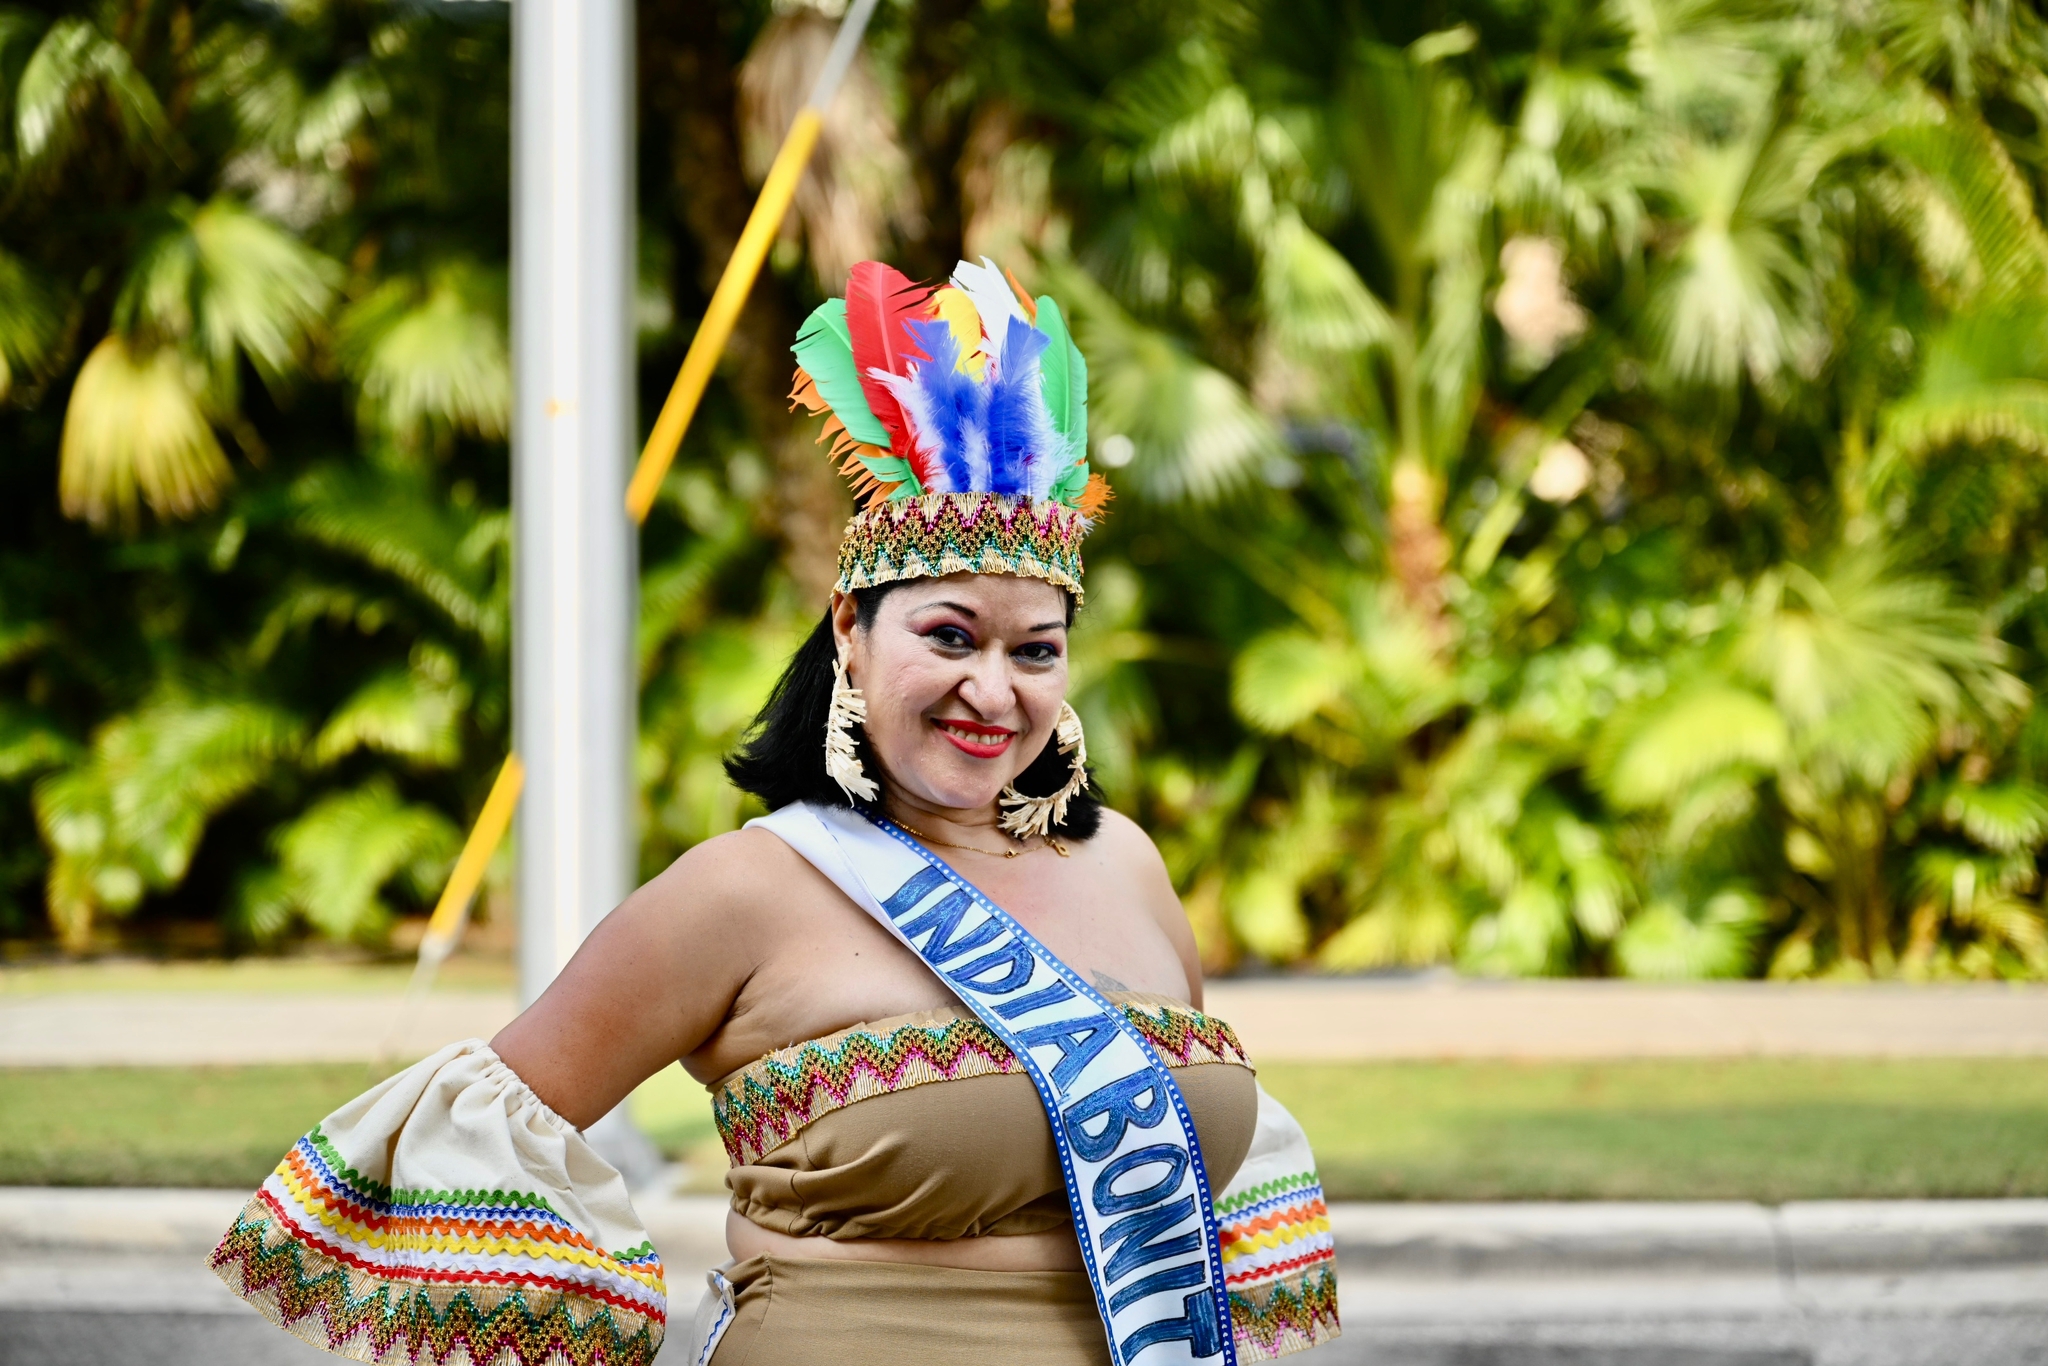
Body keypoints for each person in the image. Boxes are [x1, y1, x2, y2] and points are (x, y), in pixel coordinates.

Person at [209, 257, 1338, 1366]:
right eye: (947, 635)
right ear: (849, 628)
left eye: (1032, 650)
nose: (992, 690)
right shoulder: (744, 890)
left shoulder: (1122, 863)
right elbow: (494, 1126)